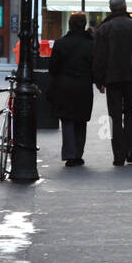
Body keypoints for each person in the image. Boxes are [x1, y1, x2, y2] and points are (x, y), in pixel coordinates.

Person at [92, 0, 132, 167]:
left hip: (112, 77)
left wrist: (98, 79)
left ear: (111, 9)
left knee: (115, 116)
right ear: (124, 7)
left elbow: (99, 56)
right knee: (130, 111)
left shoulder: (104, 28)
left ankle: (119, 155)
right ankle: (131, 149)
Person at [48, 13, 95, 166]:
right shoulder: (91, 44)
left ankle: (70, 154)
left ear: (70, 25)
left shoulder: (61, 43)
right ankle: (78, 154)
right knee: (81, 120)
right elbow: (95, 66)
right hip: (84, 85)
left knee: (67, 120)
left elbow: (53, 68)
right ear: (84, 25)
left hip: (65, 85)